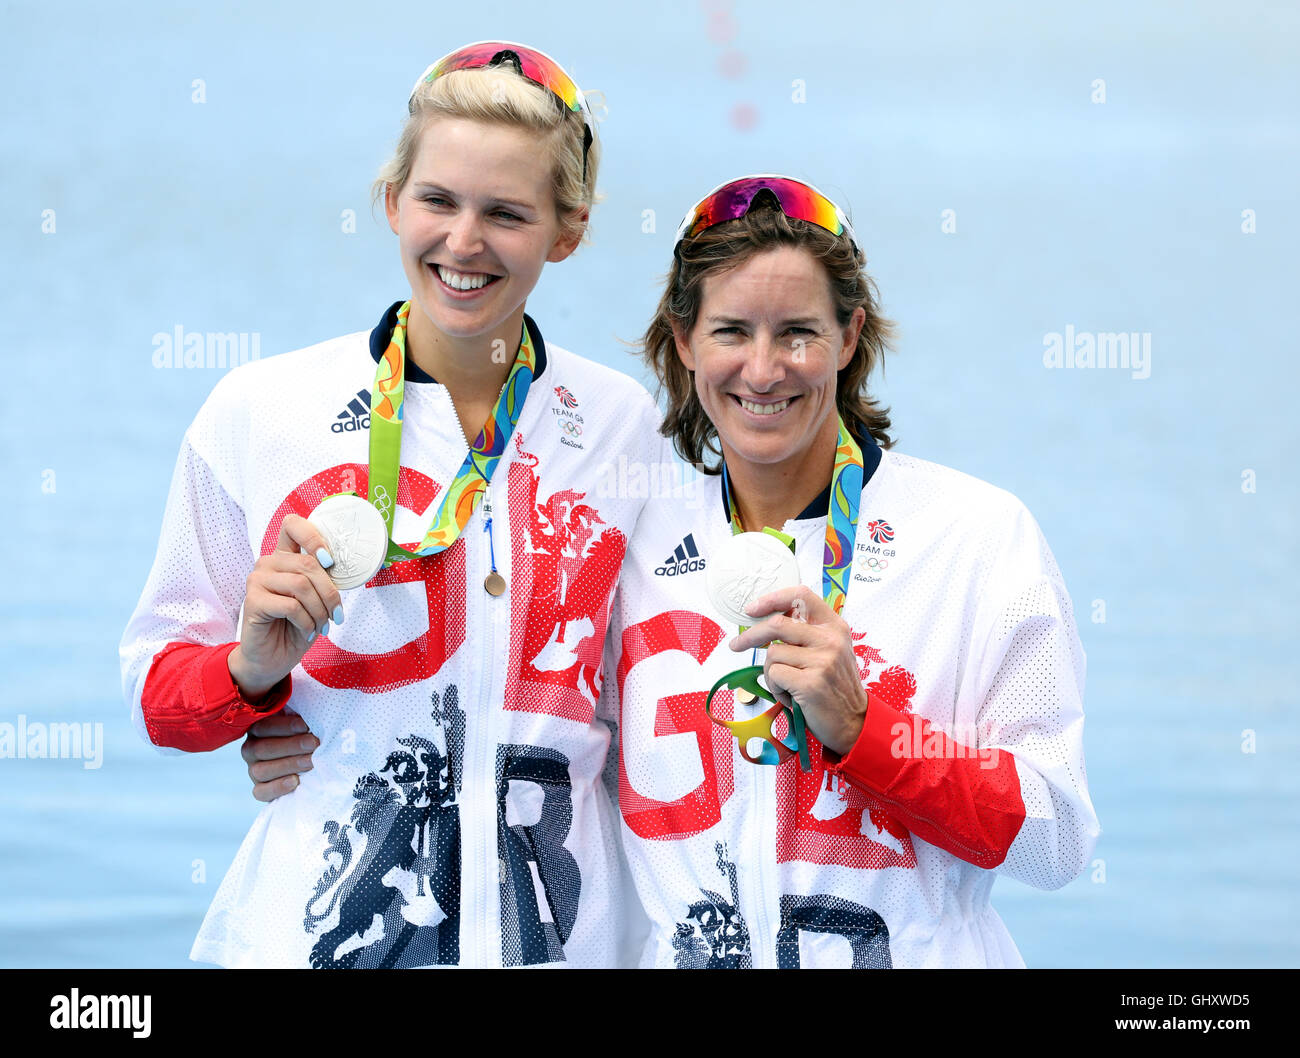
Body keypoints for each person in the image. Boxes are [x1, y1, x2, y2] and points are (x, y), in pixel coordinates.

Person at [244, 174, 1102, 968]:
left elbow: (1057, 839)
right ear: (685, 342)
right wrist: (294, 719)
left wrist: (864, 730)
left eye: (798, 332)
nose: (763, 370)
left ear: (849, 337)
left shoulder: (975, 537)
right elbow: (521, 701)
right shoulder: (639, 530)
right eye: (731, 331)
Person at [119, 41, 664, 969]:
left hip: (567, 942)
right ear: (390, 202)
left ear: (565, 232)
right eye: (438, 202)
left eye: (507, 214)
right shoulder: (263, 412)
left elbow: (646, 700)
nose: (464, 241)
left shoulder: (620, 425)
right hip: (324, 933)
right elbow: (157, 698)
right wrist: (248, 673)